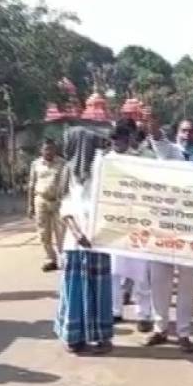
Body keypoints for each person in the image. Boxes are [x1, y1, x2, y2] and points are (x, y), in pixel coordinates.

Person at [143, 119, 193, 353]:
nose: (187, 134)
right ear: (177, 133)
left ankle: (183, 332)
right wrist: (149, 122)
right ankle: (160, 328)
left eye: (192, 131)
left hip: (192, 229)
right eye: (184, 130)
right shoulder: (170, 151)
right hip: (163, 226)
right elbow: (157, 138)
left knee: (187, 284)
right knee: (160, 282)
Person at [56, 127, 114, 354]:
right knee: (75, 289)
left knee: (100, 290)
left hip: (99, 238)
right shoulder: (67, 172)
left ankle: (101, 337)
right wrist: (77, 232)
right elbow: (65, 207)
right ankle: (74, 337)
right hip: (75, 241)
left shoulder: (103, 168)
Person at [107, 120, 155, 331]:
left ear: (129, 139)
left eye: (122, 138)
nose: (118, 142)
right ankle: (115, 311)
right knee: (114, 272)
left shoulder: (142, 160)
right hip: (114, 223)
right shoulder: (104, 162)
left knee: (142, 272)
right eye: (115, 139)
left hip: (139, 222)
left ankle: (144, 314)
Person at [27, 138, 66, 272]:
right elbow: (31, 184)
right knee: (44, 232)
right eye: (46, 149)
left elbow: (66, 184)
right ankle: (50, 259)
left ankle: (64, 259)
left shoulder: (62, 164)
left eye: (51, 148)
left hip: (58, 202)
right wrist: (30, 205)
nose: (49, 152)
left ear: (56, 149)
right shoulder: (35, 164)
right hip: (41, 200)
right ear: (41, 150)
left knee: (60, 232)